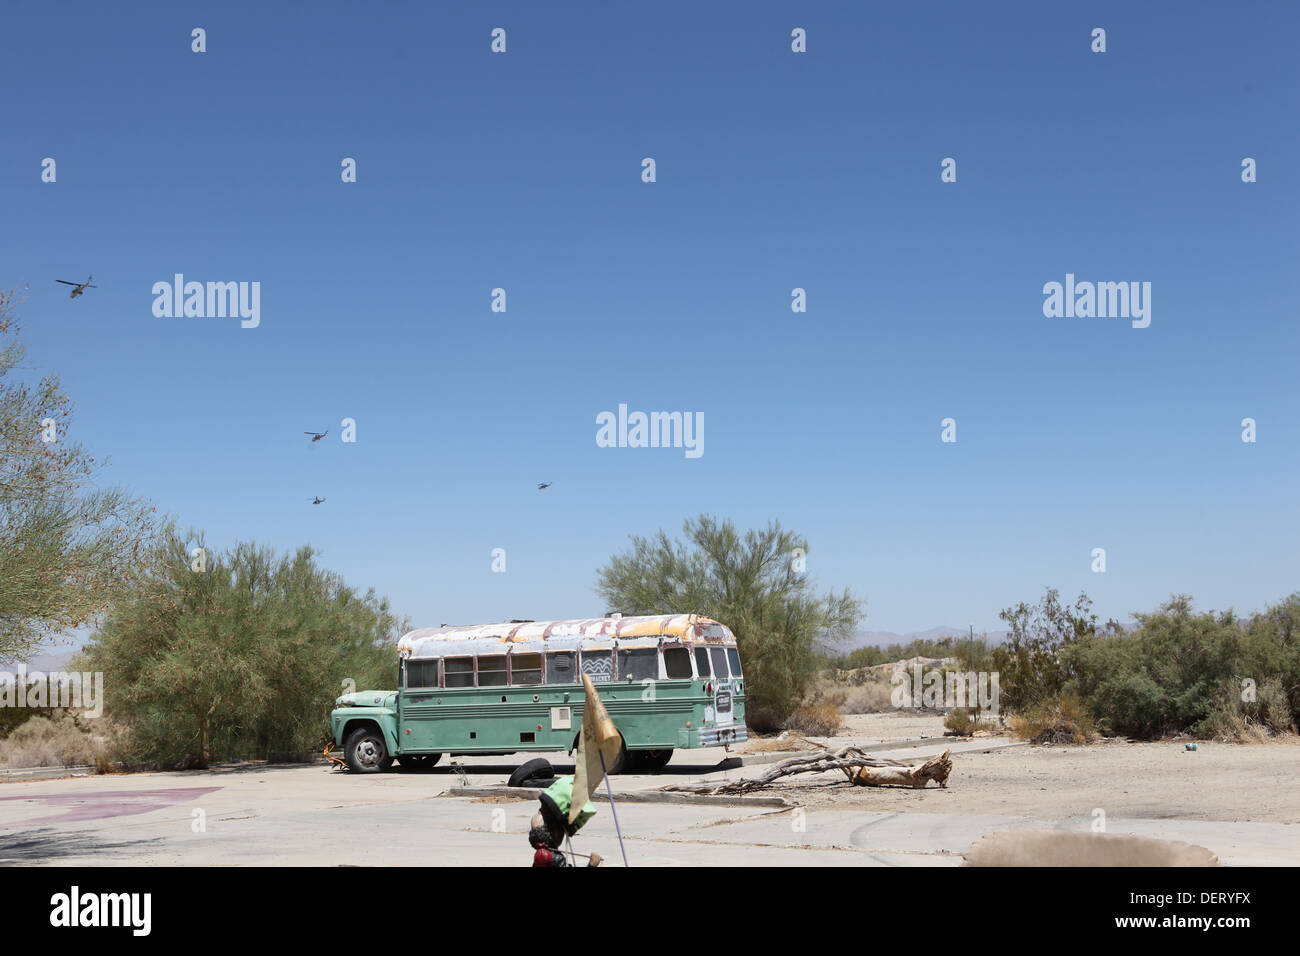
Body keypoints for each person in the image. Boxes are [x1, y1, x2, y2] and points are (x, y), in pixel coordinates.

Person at [528, 776, 603, 867]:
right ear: (557, 834)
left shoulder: (539, 857)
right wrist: (592, 864)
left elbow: (538, 818)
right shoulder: (556, 859)